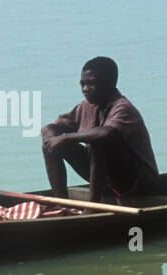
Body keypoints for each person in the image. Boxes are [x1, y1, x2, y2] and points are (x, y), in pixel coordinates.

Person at [41, 57, 159, 204]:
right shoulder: (86, 106)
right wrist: (52, 140)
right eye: (82, 84)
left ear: (110, 83)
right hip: (105, 178)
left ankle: (92, 205)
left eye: (91, 83)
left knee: (99, 139)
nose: (85, 89)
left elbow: (106, 133)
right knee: (49, 144)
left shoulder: (122, 107)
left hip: (136, 182)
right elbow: (50, 128)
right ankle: (62, 204)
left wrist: (66, 138)